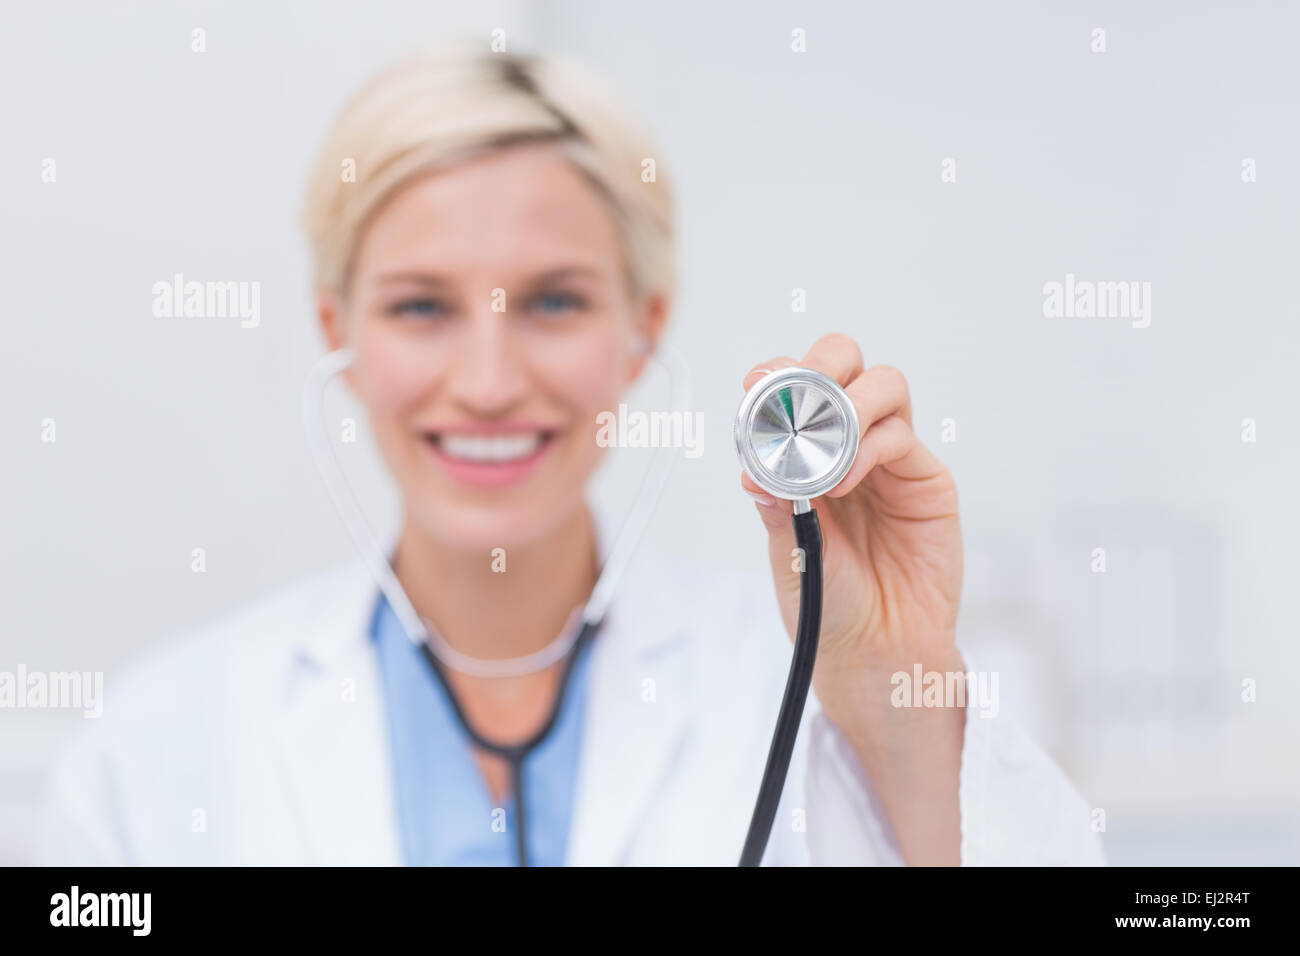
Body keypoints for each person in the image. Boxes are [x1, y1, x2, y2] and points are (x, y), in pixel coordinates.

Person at [38, 44, 1102, 866]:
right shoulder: (162, 739)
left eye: (552, 300)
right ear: (338, 334)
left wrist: (889, 694)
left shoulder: (789, 684)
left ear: (643, 325)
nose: (491, 378)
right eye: (420, 306)